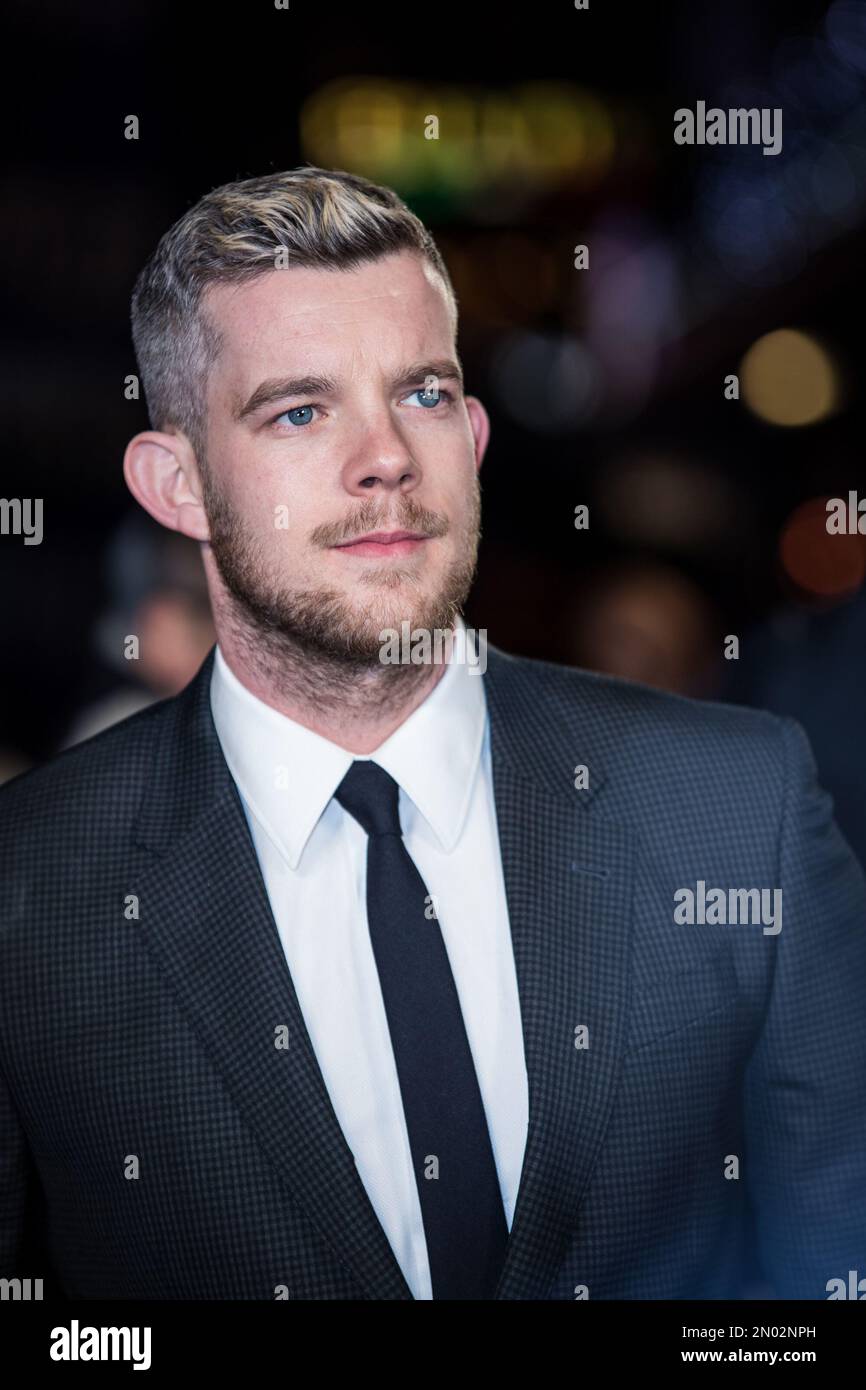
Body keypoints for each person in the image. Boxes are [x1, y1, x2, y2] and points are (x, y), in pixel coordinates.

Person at [1, 168, 864, 1302]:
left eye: (418, 394)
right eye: (300, 410)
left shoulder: (736, 809)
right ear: (180, 486)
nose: (385, 459)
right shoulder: (31, 887)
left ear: (471, 432)